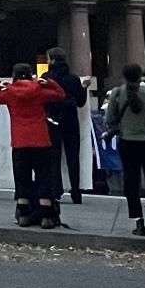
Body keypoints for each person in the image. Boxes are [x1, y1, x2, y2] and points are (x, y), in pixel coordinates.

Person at [0, 62, 67, 228]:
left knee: (22, 178)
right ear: (31, 74)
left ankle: (23, 214)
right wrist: (49, 82)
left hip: (20, 141)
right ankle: (46, 216)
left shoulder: (9, 92)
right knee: (44, 177)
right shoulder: (40, 91)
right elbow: (60, 94)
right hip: (41, 140)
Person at [103, 63, 145, 236]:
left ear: (124, 76)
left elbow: (109, 119)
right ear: (140, 75)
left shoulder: (117, 93)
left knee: (131, 182)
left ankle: (138, 222)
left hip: (127, 142)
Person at [43, 47, 88, 205]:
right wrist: (84, 88)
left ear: (53, 60)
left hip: (53, 119)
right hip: (70, 120)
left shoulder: (47, 78)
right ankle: (76, 191)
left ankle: (56, 190)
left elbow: (43, 100)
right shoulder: (73, 78)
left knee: (53, 157)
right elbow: (81, 102)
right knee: (73, 157)